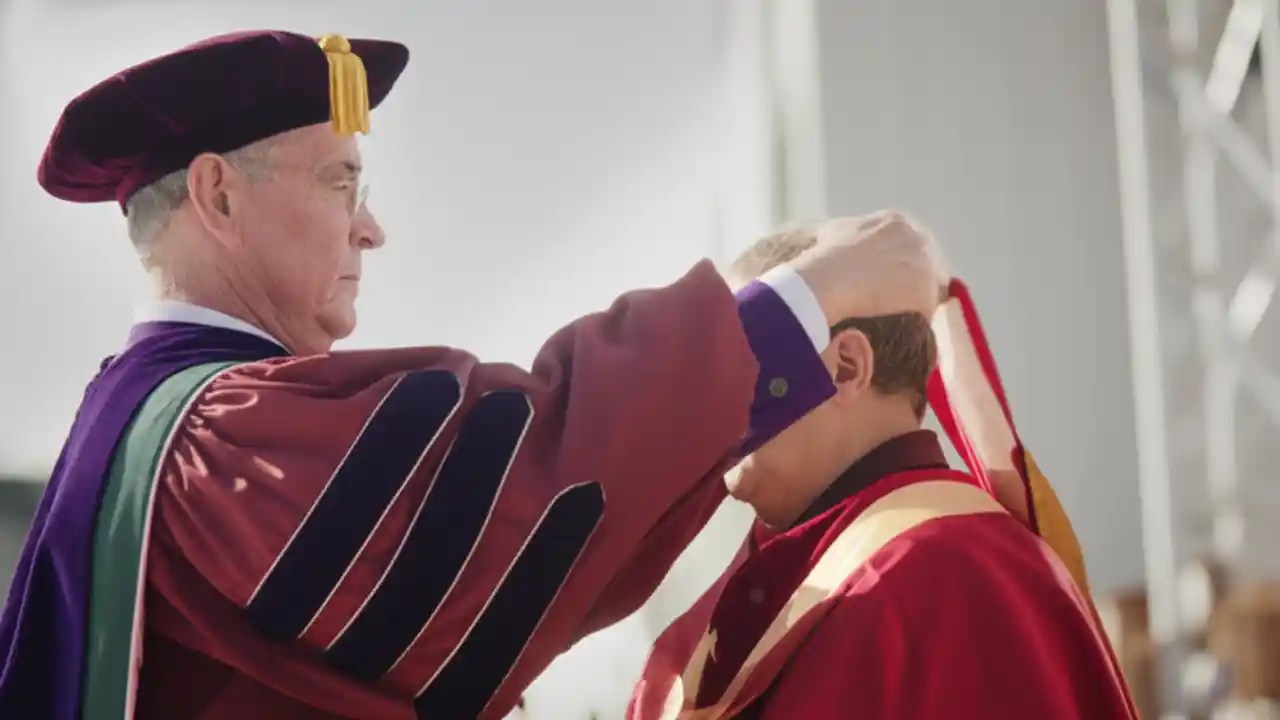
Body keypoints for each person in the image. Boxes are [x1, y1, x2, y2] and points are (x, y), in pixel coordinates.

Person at [0, 31, 948, 720]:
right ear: (217, 194)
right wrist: (805, 300)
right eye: (340, 182)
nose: (370, 228)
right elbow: (532, 477)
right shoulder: (219, 433)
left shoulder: (139, 420)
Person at [628, 222, 1139, 720]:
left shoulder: (952, 576)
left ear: (844, 366)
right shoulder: (717, 618)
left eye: (739, 360)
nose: (710, 400)